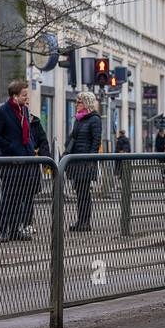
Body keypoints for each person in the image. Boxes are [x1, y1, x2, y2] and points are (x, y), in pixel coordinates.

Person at [0, 81, 36, 243]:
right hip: (10, 161)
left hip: (25, 159)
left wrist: (29, 148)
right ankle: (4, 230)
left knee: (20, 198)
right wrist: (11, 148)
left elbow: (27, 131)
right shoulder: (2, 112)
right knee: (9, 197)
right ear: (15, 96)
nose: (27, 97)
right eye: (24, 95)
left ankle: (16, 229)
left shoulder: (24, 109)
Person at [65, 91, 102, 232]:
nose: (76, 104)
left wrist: (91, 159)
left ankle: (85, 222)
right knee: (80, 192)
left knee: (84, 192)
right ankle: (81, 221)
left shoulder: (94, 119)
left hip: (86, 161)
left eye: (79, 102)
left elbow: (96, 141)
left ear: (86, 103)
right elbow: (73, 138)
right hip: (76, 160)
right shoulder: (79, 119)